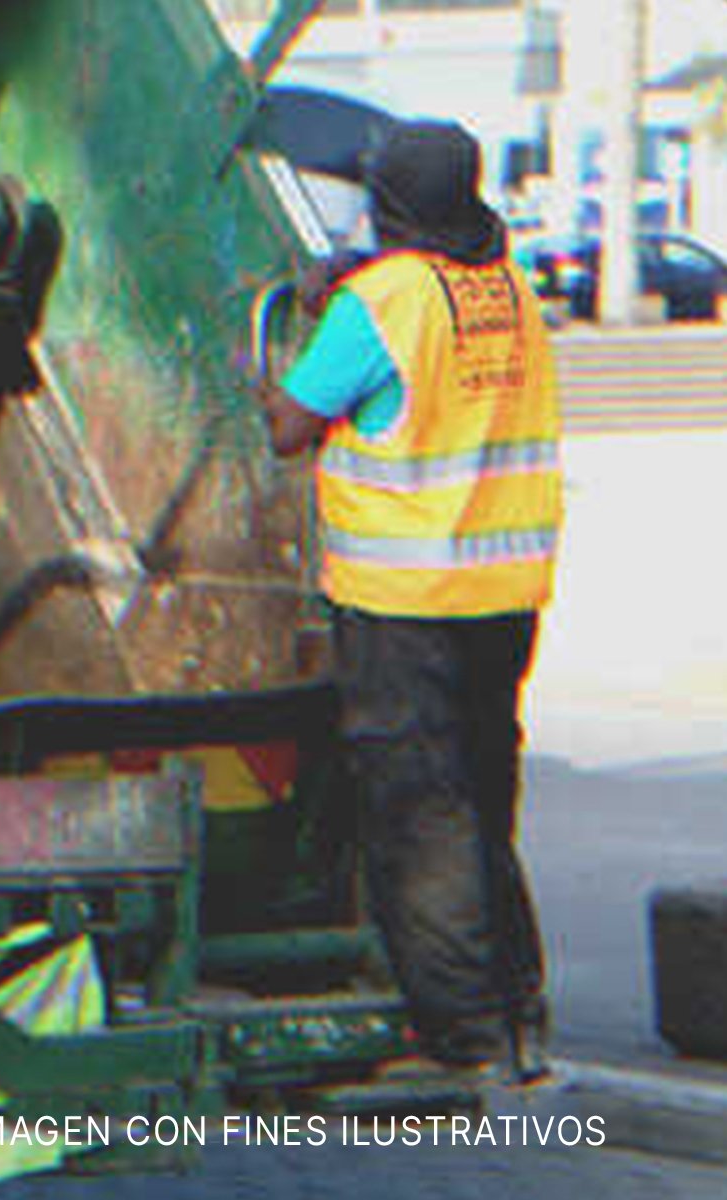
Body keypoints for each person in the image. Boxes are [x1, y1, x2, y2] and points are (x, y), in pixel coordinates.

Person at [255, 121, 561, 1084]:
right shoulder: (510, 288)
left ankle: (463, 1040)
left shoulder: (377, 305)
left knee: (419, 816)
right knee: (482, 799)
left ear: (385, 201)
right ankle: (520, 1015)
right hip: (504, 593)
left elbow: (292, 429)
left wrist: (272, 358)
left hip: (403, 600)